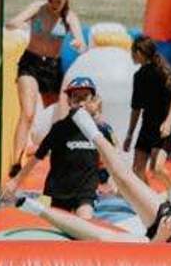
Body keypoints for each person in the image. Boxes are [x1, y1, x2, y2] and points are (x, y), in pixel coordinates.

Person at [9, 118, 171, 244]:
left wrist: (160, 238)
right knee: (124, 179)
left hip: (160, 241)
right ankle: (91, 129)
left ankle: (35, 208)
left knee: (101, 237)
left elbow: (152, 261)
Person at [8, 76, 112, 217]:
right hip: (60, 191)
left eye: (85, 97)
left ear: (92, 100)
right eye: (76, 97)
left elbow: (110, 158)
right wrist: (16, 181)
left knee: (85, 220)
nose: (80, 102)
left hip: (85, 192)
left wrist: (112, 182)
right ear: (69, 101)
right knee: (61, 229)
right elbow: (38, 156)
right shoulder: (59, 129)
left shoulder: (99, 130)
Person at [4, 0, 86, 124]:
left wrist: (78, 43)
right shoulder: (38, 8)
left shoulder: (69, 17)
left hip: (52, 67)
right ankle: (20, 147)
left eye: (58, 2)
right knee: (28, 113)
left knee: (55, 117)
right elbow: (11, 23)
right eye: (50, 0)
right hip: (31, 61)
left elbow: (82, 43)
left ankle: (48, 145)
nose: (53, 5)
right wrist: (20, 25)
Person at [127, 35, 171, 188]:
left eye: (132, 52)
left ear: (139, 52)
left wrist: (168, 122)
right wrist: (130, 134)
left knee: (156, 168)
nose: (131, 55)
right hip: (147, 126)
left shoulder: (162, 72)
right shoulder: (138, 76)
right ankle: (150, 199)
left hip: (163, 128)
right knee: (137, 169)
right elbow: (136, 108)